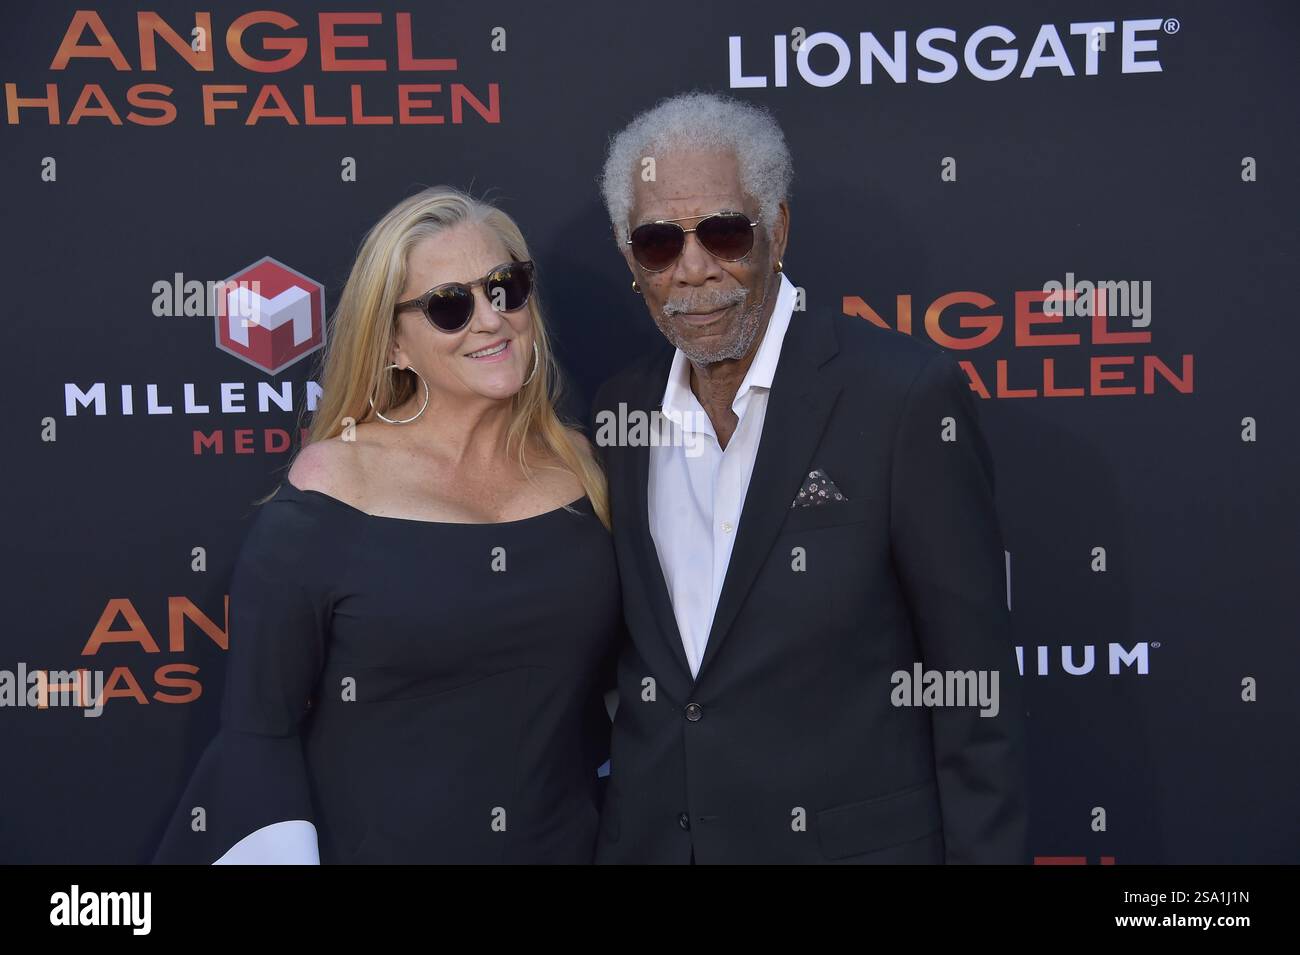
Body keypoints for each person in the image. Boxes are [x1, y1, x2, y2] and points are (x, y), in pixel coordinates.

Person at [590, 92, 1028, 863]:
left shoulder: (902, 397)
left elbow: (973, 693)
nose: (692, 269)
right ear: (631, 258)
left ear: (778, 230)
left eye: (724, 232)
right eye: (658, 242)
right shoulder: (619, 410)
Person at [155, 186, 620, 864]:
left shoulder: (584, 468)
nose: (490, 320)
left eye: (505, 288)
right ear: (394, 345)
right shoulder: (333, 483)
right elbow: (261, 731)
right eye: (449, 306)